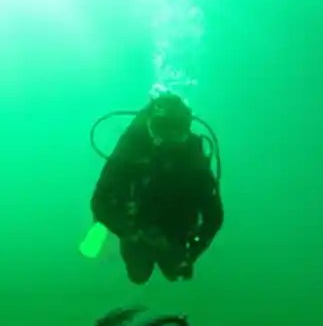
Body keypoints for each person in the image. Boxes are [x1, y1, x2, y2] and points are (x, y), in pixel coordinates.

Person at [90, 92, 224, 284]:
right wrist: (130, 231)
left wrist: (193, 251)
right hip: (136, 227)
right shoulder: (131, 148)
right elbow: (99, 202)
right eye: (162, 129)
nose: (169, 138)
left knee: (174, 273)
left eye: (176, 131)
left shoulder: (193, 157)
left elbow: (214, 215)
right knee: (138, 276)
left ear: (186, 128)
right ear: (150, 125)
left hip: (175, 230)